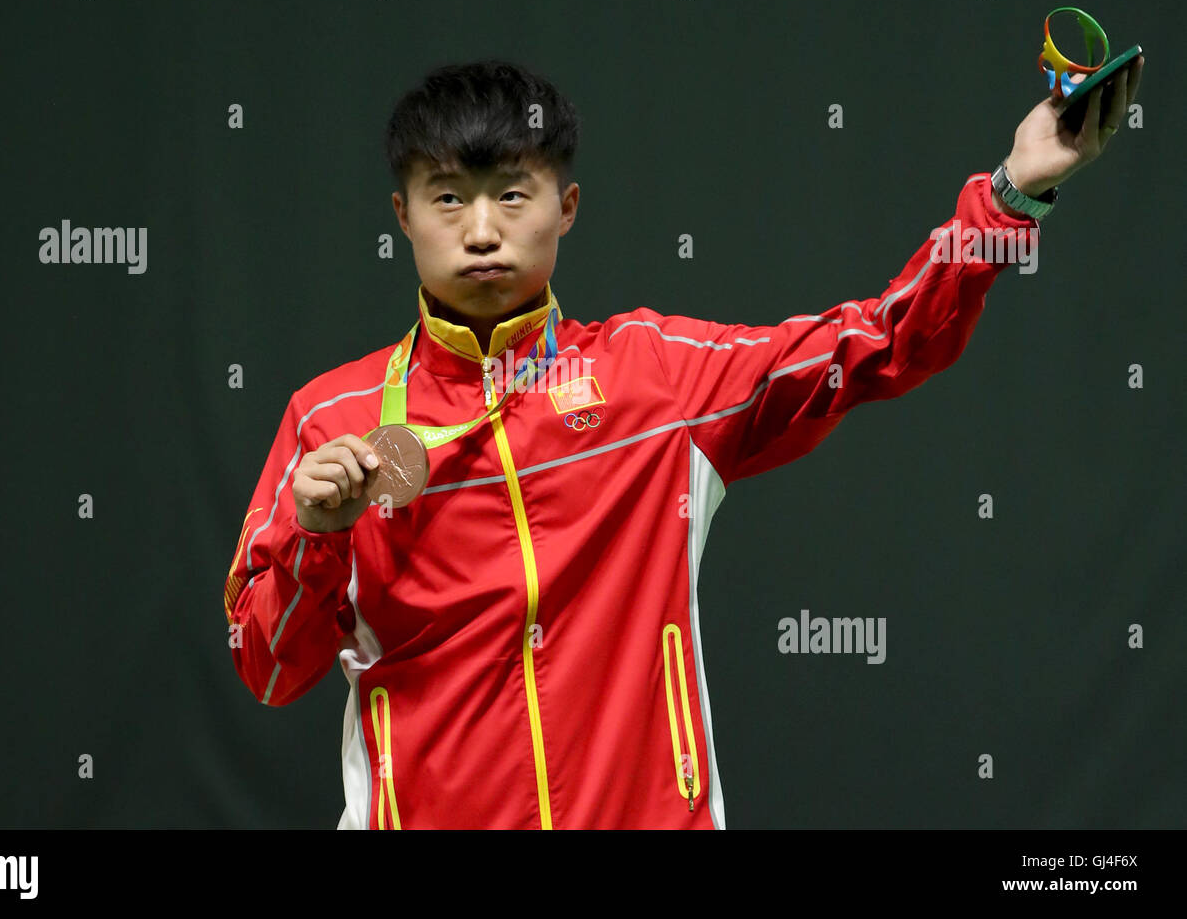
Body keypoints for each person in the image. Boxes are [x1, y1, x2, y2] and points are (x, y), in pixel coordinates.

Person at [222, 56, 1144, 829]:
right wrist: (315, 532)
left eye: (512, 195)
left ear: (568, 205)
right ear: (402, 217)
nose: (481, 231)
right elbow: (266, 671)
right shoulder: (331, 419)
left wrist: (1015, 192)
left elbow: (881, 341)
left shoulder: (656, 378)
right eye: (448, 198)